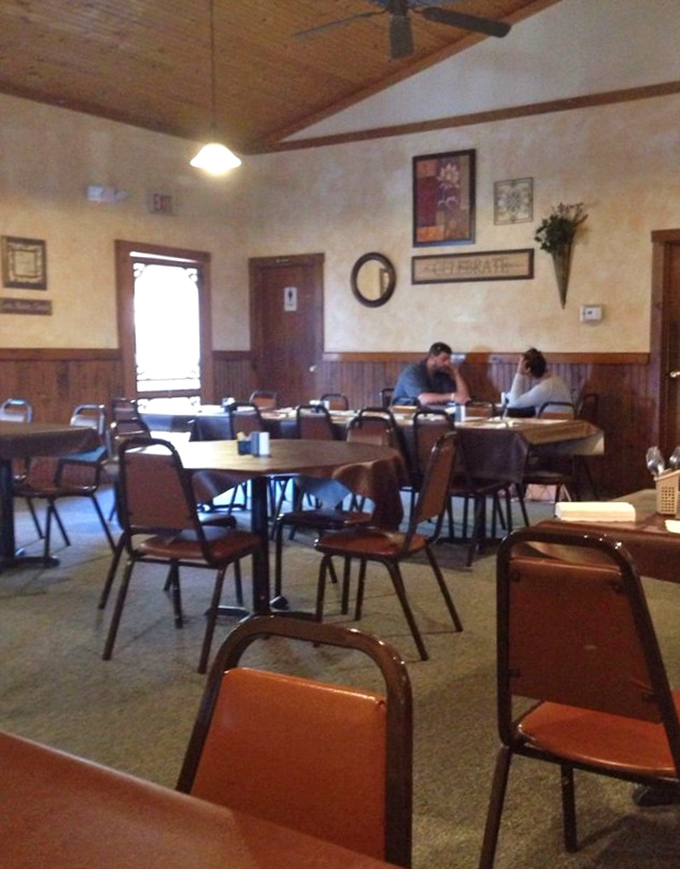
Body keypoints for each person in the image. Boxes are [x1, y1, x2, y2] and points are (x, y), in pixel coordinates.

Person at [391, 341, 470, 407]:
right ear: (432, 357)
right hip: (404, 414)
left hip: (428, 414)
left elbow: (463, 397)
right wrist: (452, 397)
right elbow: (423, 399)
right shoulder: (413, 371)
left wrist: (456, 372)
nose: (447, 363)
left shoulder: (441, 373)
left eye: (449, 359)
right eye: (444, 359)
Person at [506, 348, 572, 415]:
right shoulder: (556, 381)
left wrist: (519, 373)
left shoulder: (544, 388)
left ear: (528, 369)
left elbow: (514, 403)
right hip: (566, 420)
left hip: (551, 421)